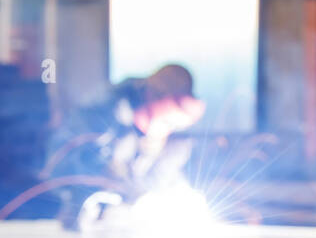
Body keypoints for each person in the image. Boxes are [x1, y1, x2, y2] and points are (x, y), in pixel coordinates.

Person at [46, 63, 205, 228]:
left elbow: (164, 174)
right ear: (152, 96)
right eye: (166, 122)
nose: (166, 128)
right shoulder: (105, 115)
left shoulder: (170, 134)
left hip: (128, 198)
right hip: (84, 191)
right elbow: (77, 165)